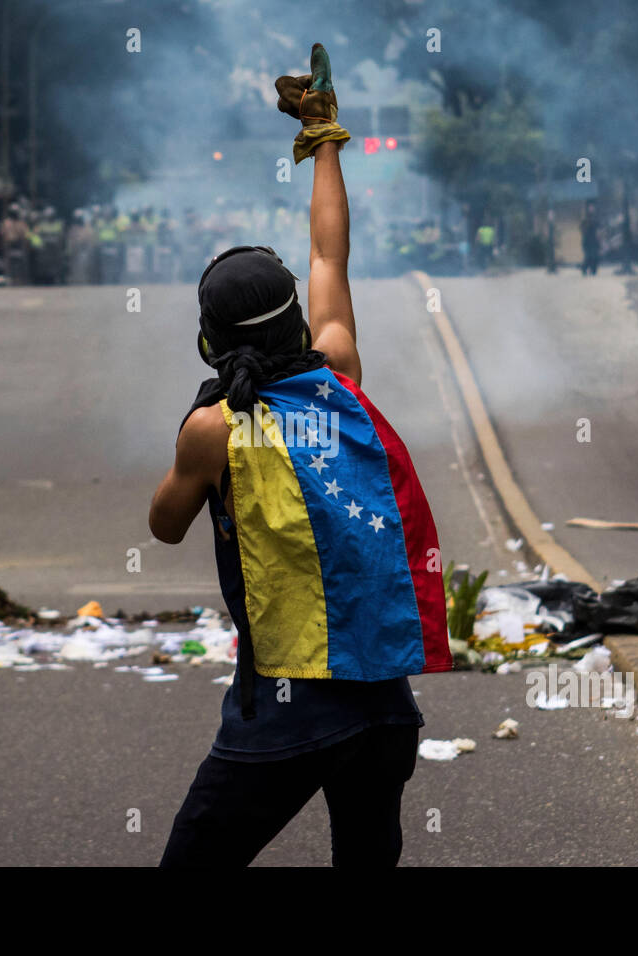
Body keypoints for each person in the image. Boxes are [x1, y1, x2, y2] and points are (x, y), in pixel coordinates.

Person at [152, 44, 450, 869]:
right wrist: (324, 136)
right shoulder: (339, 368)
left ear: (213, 341)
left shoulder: (214, 429)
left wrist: (201, 422)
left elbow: (166, 525)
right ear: (292, 320)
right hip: (385, 713)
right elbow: (330, 255)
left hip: (284, 716)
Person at [579, 200, 599, 276]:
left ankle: (593, 270)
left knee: (595, 256)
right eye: (590, 207)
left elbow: (598, 228)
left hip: (594, 240)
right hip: (587, 240)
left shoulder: (596, 217)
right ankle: (584, 269)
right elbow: (582, 228)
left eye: (593, 207)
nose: (592, 208)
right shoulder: (585, 218)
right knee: (588, 256)